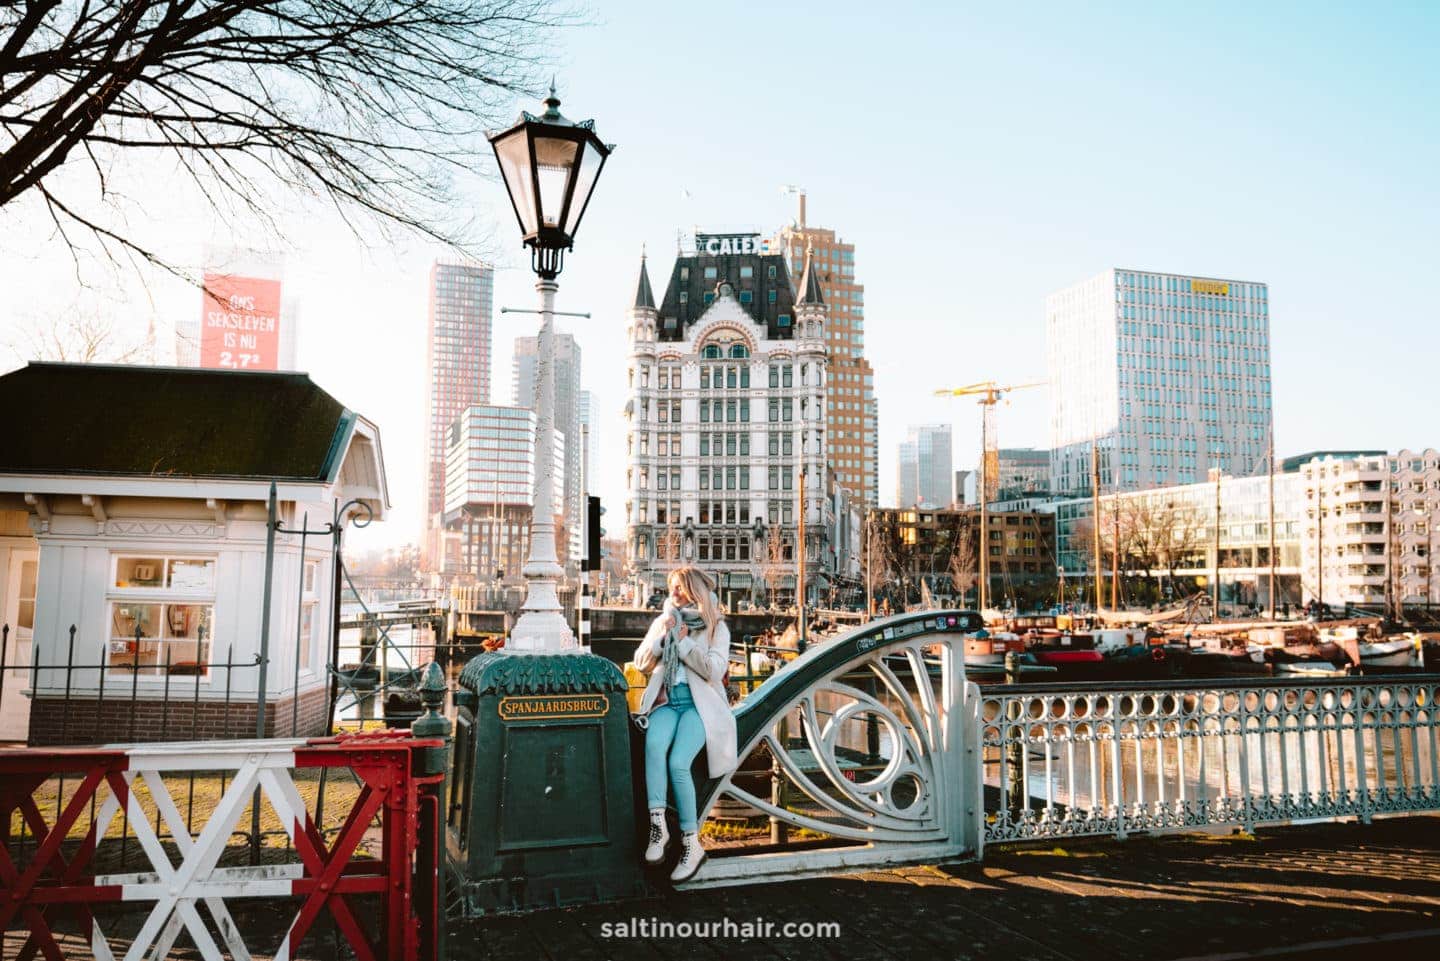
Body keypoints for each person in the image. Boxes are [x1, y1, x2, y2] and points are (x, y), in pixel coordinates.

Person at [632, 566, 738, 882]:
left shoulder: (715, 627)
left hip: (698, 707)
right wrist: (663, 640)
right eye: (672, 587)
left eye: (680, 587)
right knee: (653, 746)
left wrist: (686, 643)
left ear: (695, 590)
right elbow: (640, 663)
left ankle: (692, 844)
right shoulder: (663, 621)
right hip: (668, 703)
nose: (674, 593)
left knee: (679, 762)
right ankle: (658, 827)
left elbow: (715, 670)